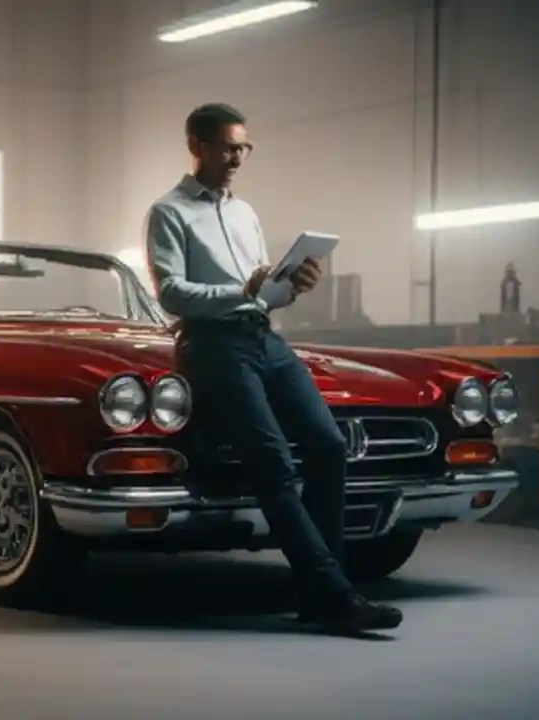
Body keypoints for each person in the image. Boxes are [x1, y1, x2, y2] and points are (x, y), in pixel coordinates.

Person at [144, 102, 403, 634]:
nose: (237, 157)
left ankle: (322, 592)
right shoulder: (168, 212)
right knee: (273, 464)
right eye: (226, 147)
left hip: (264, 337)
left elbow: (266, 293)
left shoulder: (246, 213)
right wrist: (245, 289)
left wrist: (290, 285)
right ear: (196, 147)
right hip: (213, 345)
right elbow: (172, 293)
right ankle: (333, 593)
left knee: (329, 445)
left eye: (244, 147)